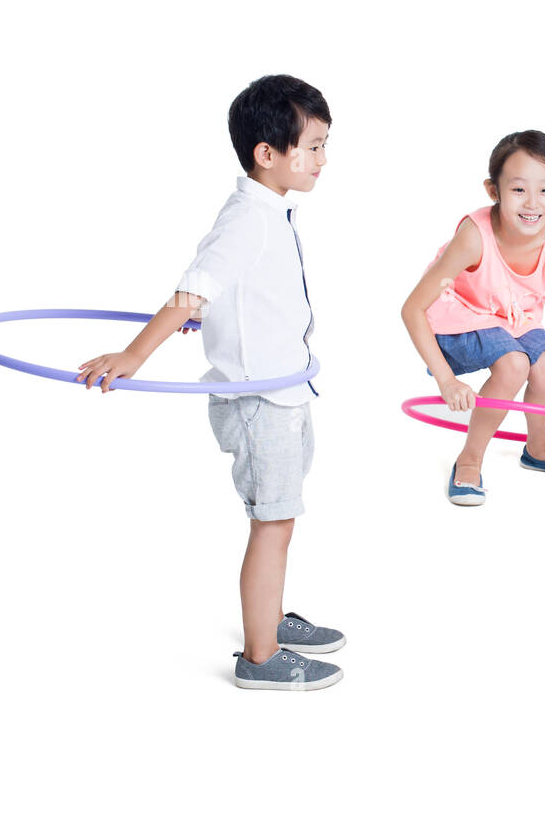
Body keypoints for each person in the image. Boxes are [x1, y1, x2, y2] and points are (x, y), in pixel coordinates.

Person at [77, 75, 345, 690]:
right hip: (259, 401)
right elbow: (192, 289)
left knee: (283, 517)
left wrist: (216, 315)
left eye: (326, 144)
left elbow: (233, 292)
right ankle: (260, 656)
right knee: (272, 523)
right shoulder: (249, 217)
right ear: (267, 154)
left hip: (286, 390)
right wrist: (133, 356)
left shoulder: (270, 209)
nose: (323, 159)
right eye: (313, 146)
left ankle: (270, 618)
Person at [401, 130, 545, 507]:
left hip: (510, 317)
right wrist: (446, 381)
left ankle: (539, 449)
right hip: (455, 316)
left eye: (544, 191)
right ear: (493, 191)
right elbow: (413, 307)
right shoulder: (474, 237)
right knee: (514, 364)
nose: (532, 203)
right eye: (517, 190)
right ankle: (470, 459)